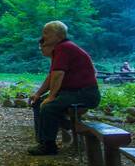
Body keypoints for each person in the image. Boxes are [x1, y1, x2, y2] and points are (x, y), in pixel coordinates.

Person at [27, 20, 101, 156]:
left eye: (46, 33)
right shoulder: (60, 49)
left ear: (58, 35)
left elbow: (58, 75)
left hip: (85, 93)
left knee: (49, 107)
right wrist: (38, 94)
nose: (43, 36)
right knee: (38, 102)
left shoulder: (64, 48)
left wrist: (51, 97)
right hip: (73, 92)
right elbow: (52, 76)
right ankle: (43, 141)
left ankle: (49, 146)